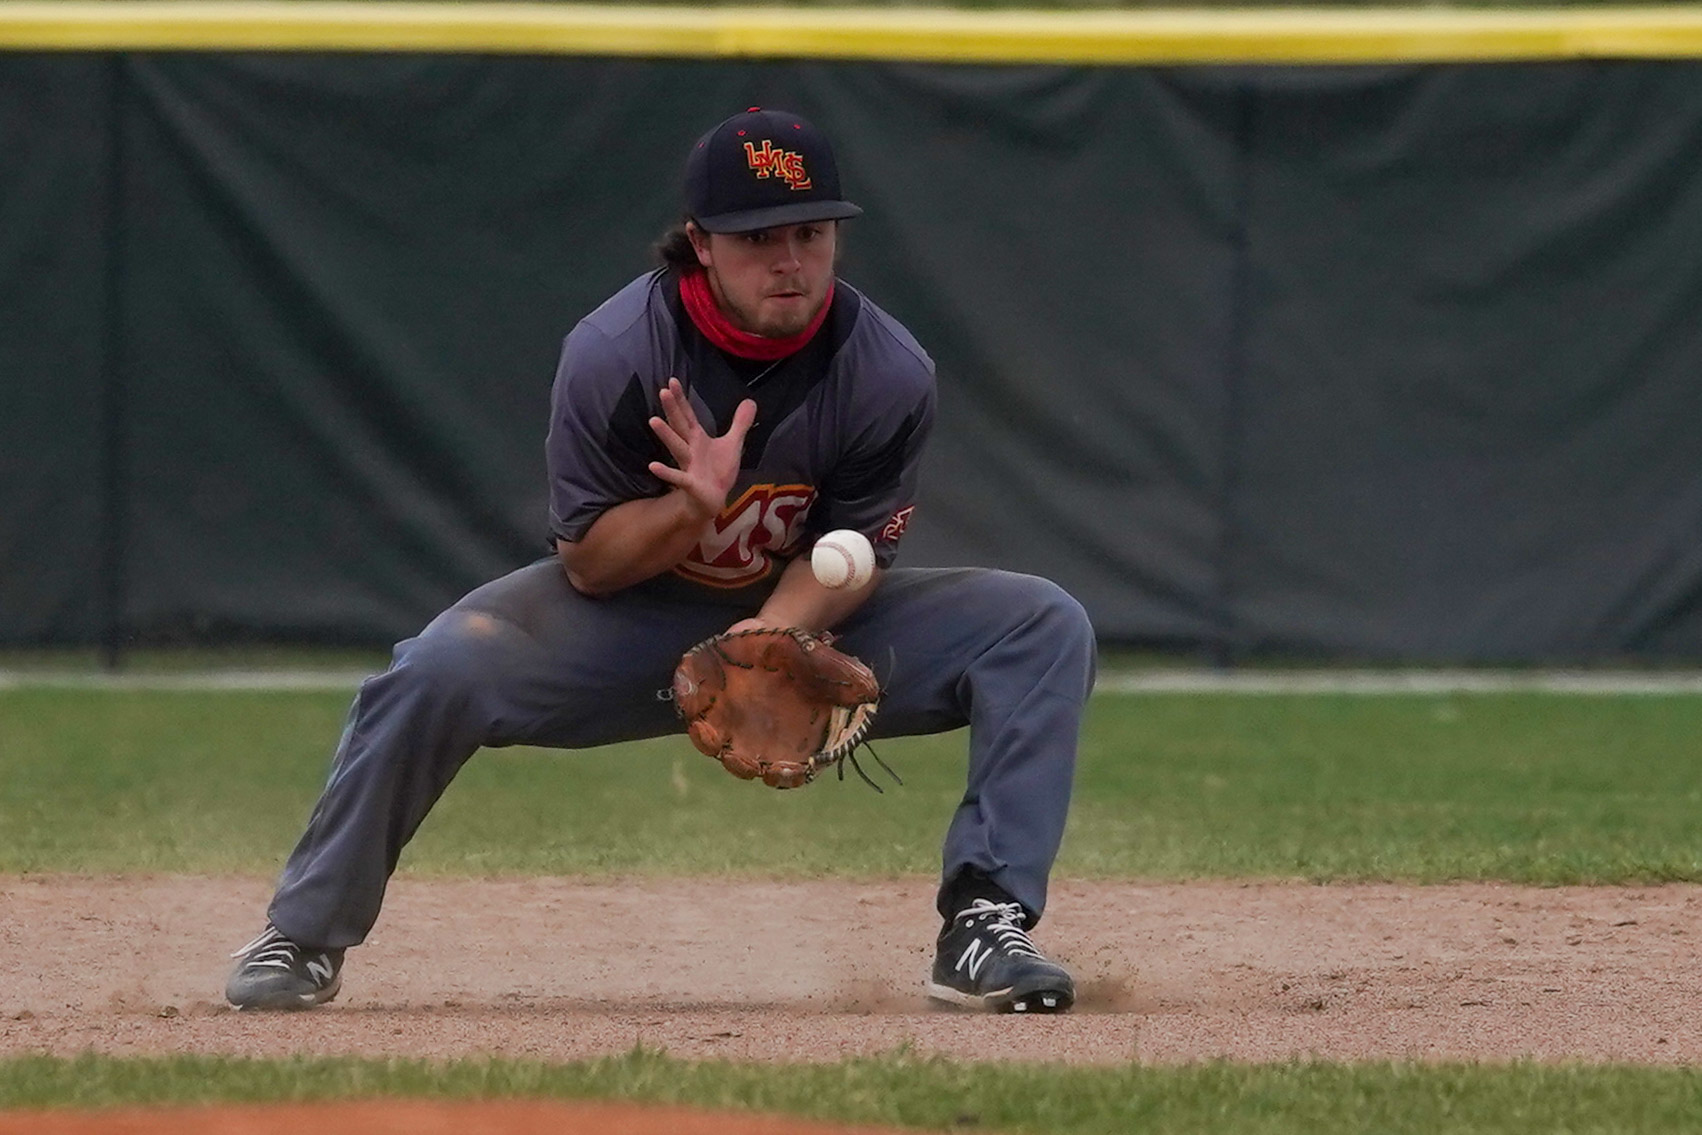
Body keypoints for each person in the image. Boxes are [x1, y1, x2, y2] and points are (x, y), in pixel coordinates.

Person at [226, 107, 1096, 1015]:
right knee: (437, 667)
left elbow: (854, 551)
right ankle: (303, 932)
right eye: (758, 237)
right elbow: (592, 566)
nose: (791, 260)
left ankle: (985, 923)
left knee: (1038, 625)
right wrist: (692, 508)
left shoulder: (886, 370)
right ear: (701, 245)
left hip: (795, 616)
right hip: (624, 618)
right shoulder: (617, 354)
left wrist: (773, 635)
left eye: (811, 232)